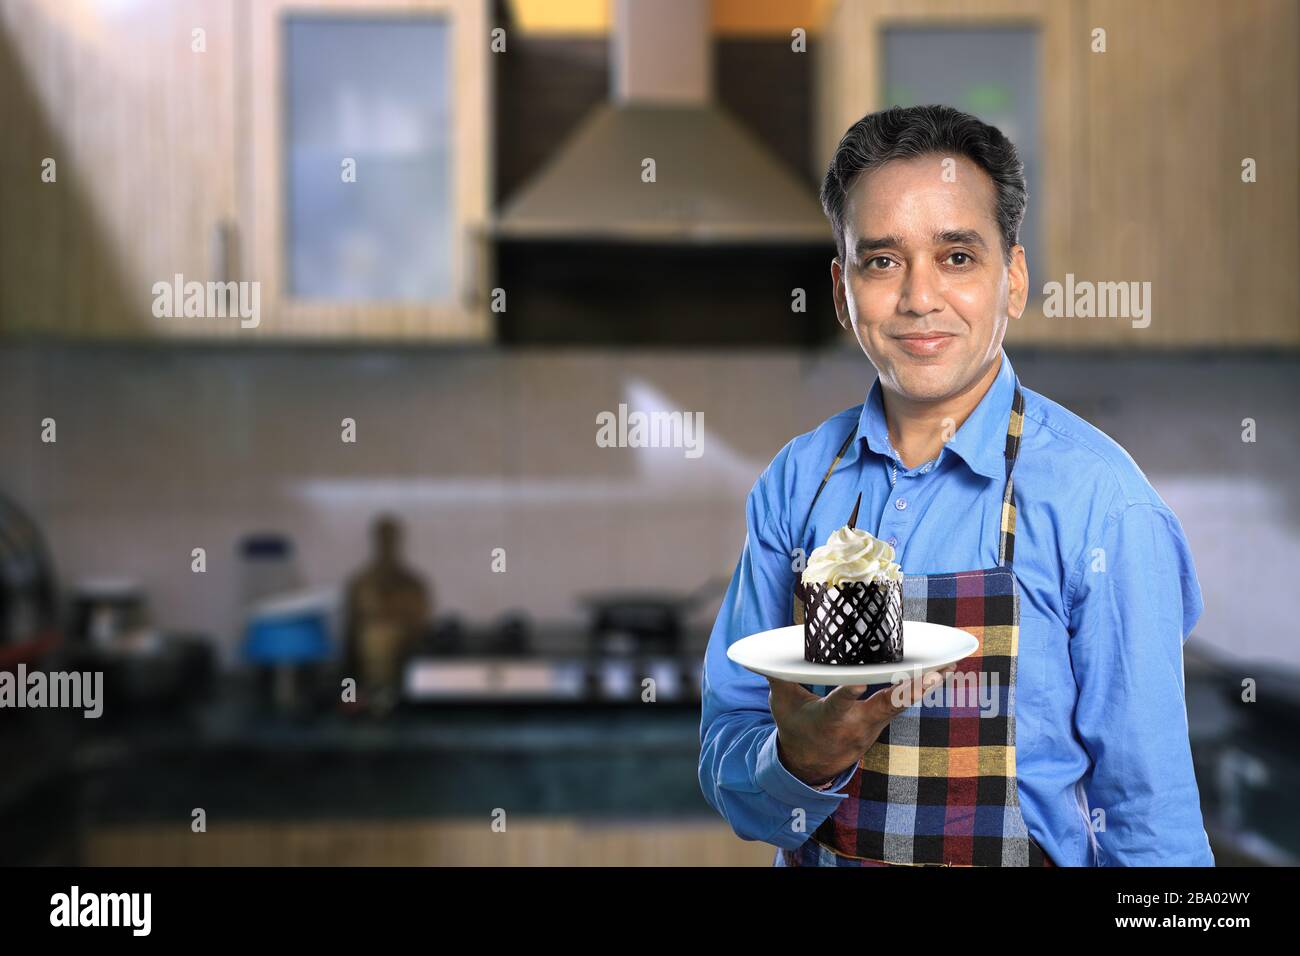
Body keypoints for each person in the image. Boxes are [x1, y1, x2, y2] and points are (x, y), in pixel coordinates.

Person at [698, 104, 1213, 867]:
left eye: (957, 257)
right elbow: (725, 754)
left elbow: (1149, 823)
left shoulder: (1101, 505)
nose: (918, 298)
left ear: (1013, 280)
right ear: (842, 292)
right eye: (882, 261)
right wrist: (798, 762)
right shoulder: (799, 484)